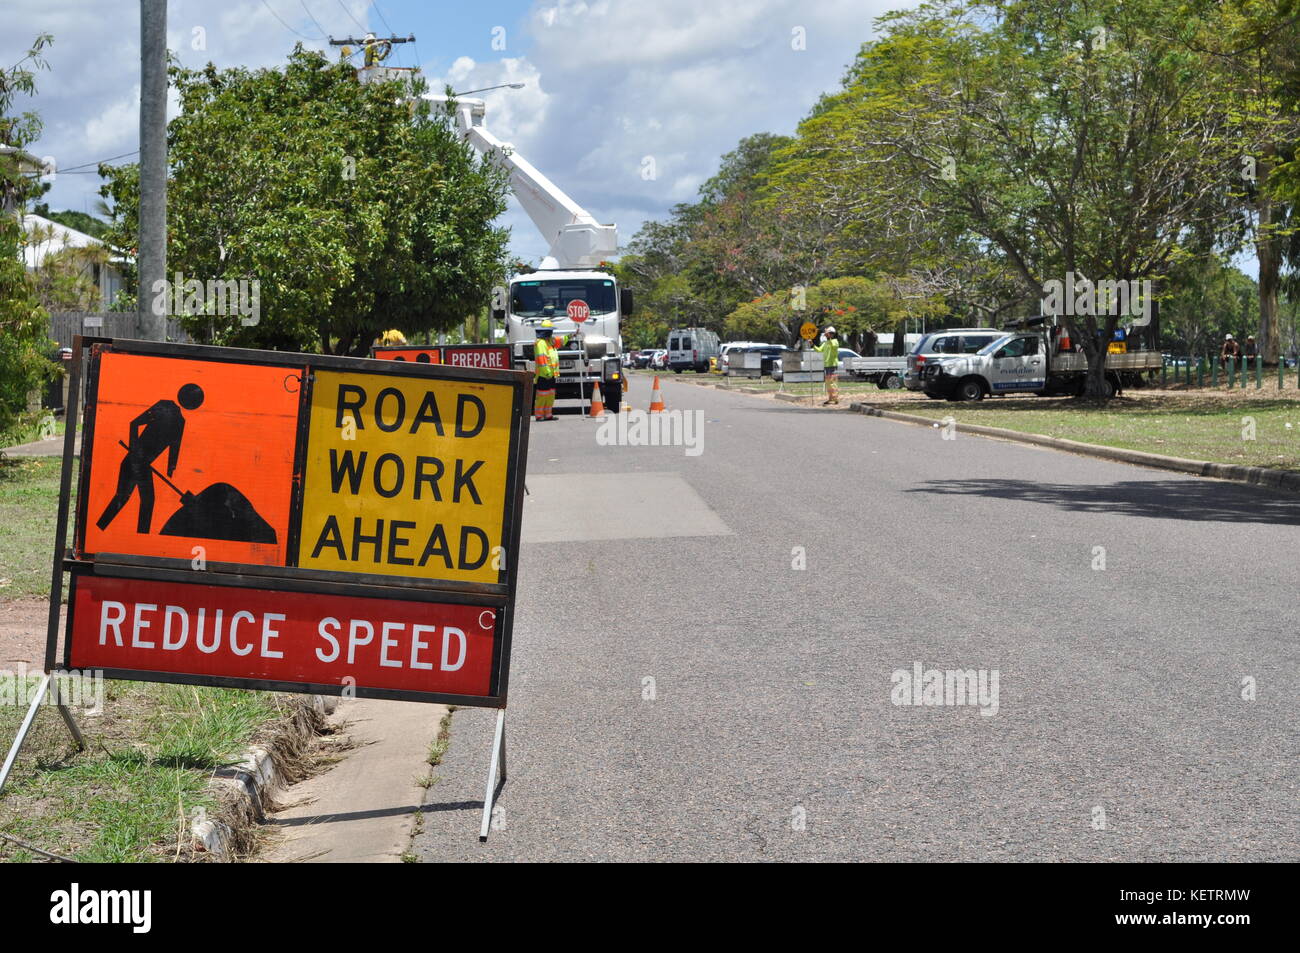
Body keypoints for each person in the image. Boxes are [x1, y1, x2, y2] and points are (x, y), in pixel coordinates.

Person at [97, 383, 204, 534]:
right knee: (122, 499)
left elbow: (175, 448)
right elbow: (134, 423)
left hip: (144, 466)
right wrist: (134, 449)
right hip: (133, 461)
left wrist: (171, 470)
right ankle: (101, 528)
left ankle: (141, 537)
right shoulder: (164, 407)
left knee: (146, 502)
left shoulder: (180, 422)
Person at [533, 320, 562, 421]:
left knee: (550, 395)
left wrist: (572, 335)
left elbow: (560, 341)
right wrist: (547, 372)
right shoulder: (541, 343)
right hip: (544, 375)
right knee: (542, 396)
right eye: (549, 331)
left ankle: (548, 414)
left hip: (551, 374)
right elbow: (542, 359)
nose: (550, 333)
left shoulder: (549, 341)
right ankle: (539, 415)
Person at [818, 325, 841, 405]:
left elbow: (833, 346)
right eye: (826, 334)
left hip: (832, 365)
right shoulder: (825, 343)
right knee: (828, 382)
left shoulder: (835, 341)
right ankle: (830, 398)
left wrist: (828, 336)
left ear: (831, 334)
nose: (826, 335)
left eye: (828, 334)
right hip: (826, 365)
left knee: (832, 382)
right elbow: (819, 350)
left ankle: (835, 398)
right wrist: (812, 344)